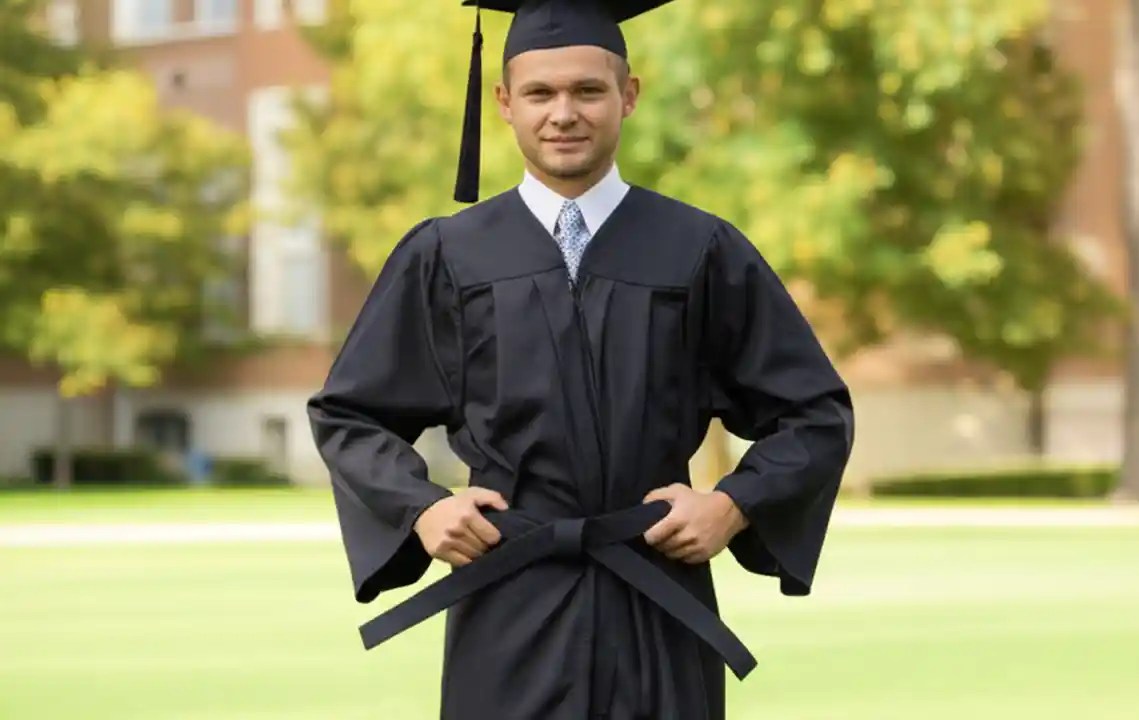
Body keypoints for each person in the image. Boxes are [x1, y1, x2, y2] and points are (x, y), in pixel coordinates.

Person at [306, 0, 854, 717]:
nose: (563, 112)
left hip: (656, 591)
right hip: (507, 599)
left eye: (587, 90)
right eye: (540, 92)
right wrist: (421, 509)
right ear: (504, 102)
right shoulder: (448, 254)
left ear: (628, 95)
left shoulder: (699, 251)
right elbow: (350, 414)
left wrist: (732, 505)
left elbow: (815, 414)